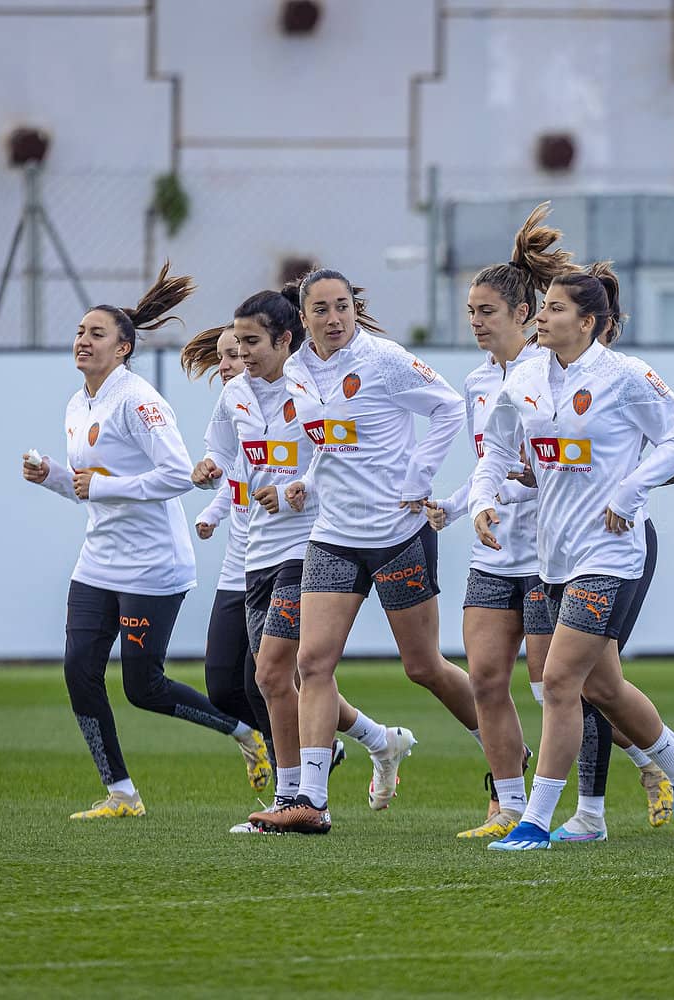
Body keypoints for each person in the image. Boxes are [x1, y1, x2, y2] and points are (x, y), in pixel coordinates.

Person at [471, 264, 674, 851]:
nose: (542, 317)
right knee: (602, 687)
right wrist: (482, 498)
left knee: (558, 682)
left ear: (588, 322)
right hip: (552, 554)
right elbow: (497, 447)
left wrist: (630, 492)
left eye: (555, 308)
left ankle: (534, 820)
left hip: (610, 552)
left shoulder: (626, 376)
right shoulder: (526, 376)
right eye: (543, 306)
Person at [21, 264, 265, 819]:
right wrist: (55, 476)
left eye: (97, 333)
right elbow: (92, 492)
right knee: (78, 671)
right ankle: (121, 794)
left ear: (124, 348)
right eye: (80, 332)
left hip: (153, 565)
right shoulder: (77, 403)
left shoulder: (140, 400)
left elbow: (178, 474)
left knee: (142, 686)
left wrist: (103, 484)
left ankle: (245, 733)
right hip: (98, 561)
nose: (83, 340)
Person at [259, 270, 477, 834]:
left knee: (423, 666)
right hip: (333, 534)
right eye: (321, 310)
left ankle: (503, 746)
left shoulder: (383, 359)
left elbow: (450, 409)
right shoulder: (298, 370)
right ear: (302, 319)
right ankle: (310, 801)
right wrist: (297, 483)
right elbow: (322, 441)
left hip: (398, 533)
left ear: (355, 310)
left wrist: (417, 475)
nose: (334, 319)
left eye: (342, 307)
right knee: (312, 663)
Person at [190, 284, 414, 833]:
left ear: (284, 340)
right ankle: (362, 750)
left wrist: (299, 488)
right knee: (263, 682)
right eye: (235, 345)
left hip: (308, 545)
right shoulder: (235, 395)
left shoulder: (311, 387)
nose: (238, 356)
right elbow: (223, 451)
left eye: (249, 344)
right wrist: (210, 470)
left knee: (275, 671)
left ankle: (299, 797)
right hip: (254, 553)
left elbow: (337, 458)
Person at [424, 203, 572, 838]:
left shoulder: (555, 374)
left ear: (522, 314)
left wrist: (541, 477)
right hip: (493, 552)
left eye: (487, 312)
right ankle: (508, 804)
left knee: (557, 687)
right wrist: (451, 507)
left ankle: (663, 756)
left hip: (548, 551)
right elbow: (487, 466)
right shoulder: (475, 383)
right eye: (471, 312)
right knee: (485, 678)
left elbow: (565, 463)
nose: (476, 323)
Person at [180, 324, 273, 792]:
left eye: (234, 354)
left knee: (265, 683)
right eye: (222, 356)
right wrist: (209, 490)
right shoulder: (234, 400)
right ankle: (365, 736)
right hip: (238, 563)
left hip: (283, 558)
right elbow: (230, 471)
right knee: (221, 684)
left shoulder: (291, 394)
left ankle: (295, 778)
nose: (225, 365)